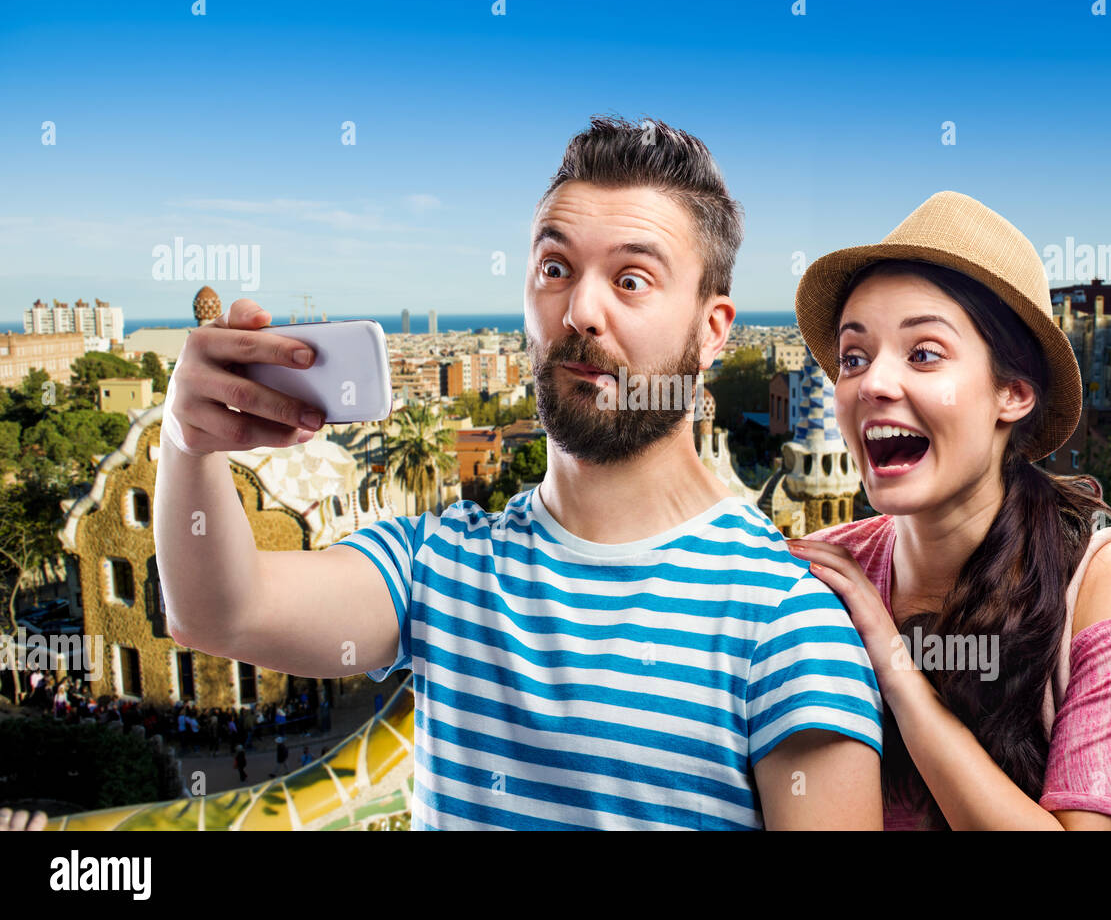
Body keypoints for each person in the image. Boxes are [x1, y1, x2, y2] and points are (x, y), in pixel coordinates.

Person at [152, 114, 884, 830]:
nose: (580, 311)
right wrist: (187, 439)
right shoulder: (439, 565)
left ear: (712, 330)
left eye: (631, 279)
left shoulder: (787, 621)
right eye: (555, 268)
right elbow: (217, 611)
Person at [786, 190, 1111, 830]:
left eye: (924, 353)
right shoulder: (828, 572)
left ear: (1013, 393)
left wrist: (897, 666)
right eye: (854, 356)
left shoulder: (1110, 586)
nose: (873, 384)